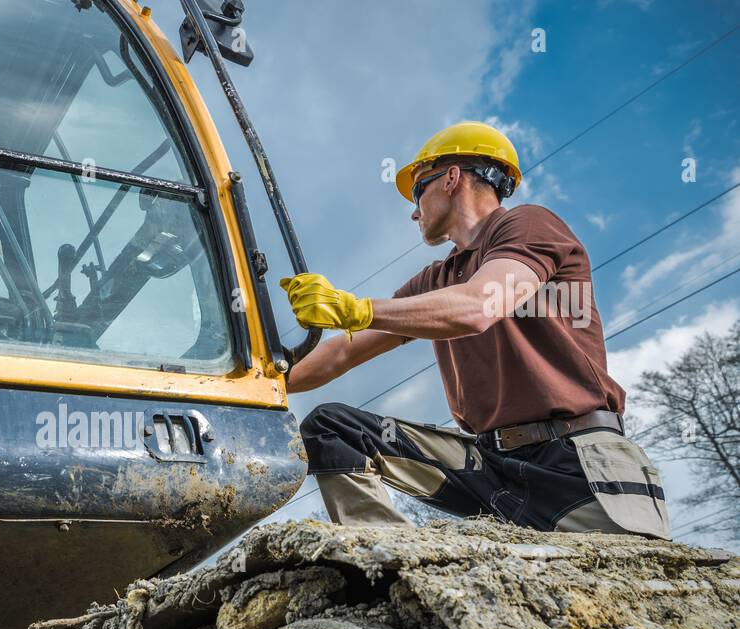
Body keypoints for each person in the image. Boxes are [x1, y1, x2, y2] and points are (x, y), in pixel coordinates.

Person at [280, 121, 670, 538]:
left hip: (576, 467)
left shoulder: (529, 225)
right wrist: (253, 380)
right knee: (333, 429)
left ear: (450, 178)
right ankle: (390, 559)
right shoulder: (436, 278)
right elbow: (343, 353)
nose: (414, 210)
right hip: (494, 470)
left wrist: (357, 309)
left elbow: (480, 305)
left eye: (418, 191)